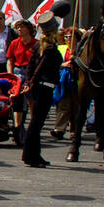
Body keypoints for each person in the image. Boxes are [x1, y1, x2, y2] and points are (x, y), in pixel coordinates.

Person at [21, 12, 64, 168]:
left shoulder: (38, 45)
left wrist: (28, 81)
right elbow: (39, 68)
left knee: (35, 122)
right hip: (44, 88)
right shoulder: (50, 48)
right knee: (36, 123)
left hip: (36, 88)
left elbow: (30, 66)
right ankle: (30, 155)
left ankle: (34, 154)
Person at [6, 18, 37, 131]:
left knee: (31, 100)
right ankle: (18, 127)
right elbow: (10, 60)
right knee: (17, 98)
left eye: (22, 27)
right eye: (18, 27)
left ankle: (33, 125)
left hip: (31, 72)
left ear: (28, 29)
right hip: (18, 72)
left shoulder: (36, 44)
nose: (19, 29)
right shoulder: (14, 43)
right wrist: (10, 74)